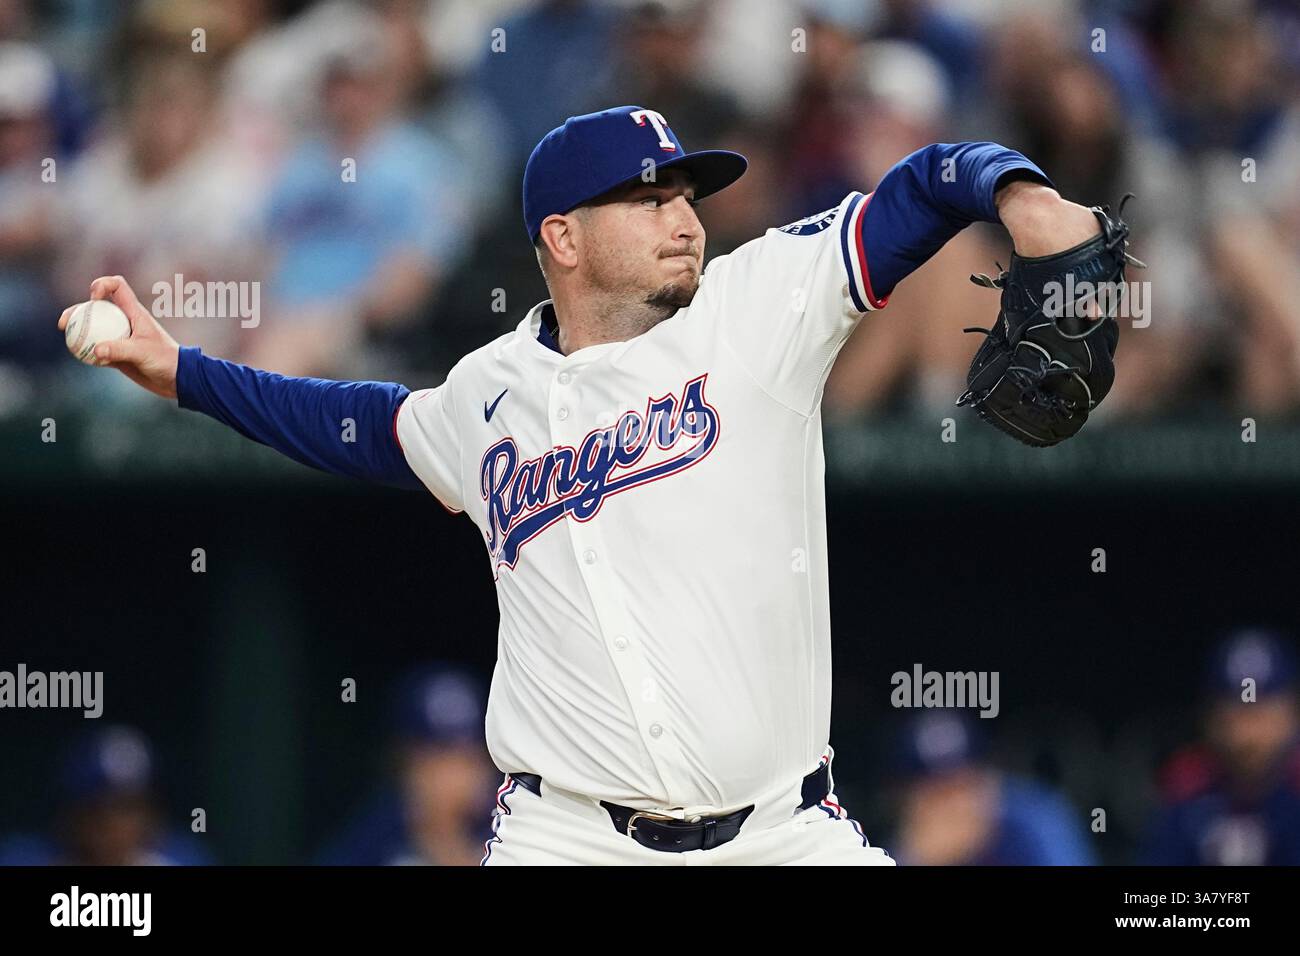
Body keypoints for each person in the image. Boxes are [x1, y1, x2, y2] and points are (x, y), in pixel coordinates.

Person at [58, 105, 1110, 865]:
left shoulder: (758, 303)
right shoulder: (485, 394)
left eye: (686, 194)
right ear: (561, 237)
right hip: (566, 837)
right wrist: (179, 371)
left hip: (784, 836)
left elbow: (923, 185)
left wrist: (1019, 192)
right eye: (647, 199)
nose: (684, 216)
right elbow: (350, 424)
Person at [1140, 629, 1300, 865]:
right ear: (1210, 719)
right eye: (1233, 717)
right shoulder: (1188, 792)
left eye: (1259, 717)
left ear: (1292, 715)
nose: (1246, 737)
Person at [315, 665, 494, 866]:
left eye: (467, 760)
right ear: (404, 765)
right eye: (435, 762)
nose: (453, 776)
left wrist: (446, 839)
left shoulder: (510, 822)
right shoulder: (379, 832)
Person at [889, 711, 1095, 866]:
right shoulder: (903, 847)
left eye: (962, 785)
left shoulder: (1035, 816)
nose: (953, 804)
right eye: (936, 792)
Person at [0, 725, 210, 866]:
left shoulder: (183, 859)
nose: (114, 825)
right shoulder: (23, 859)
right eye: (99, 809)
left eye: (129, 808)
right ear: (72, 814)